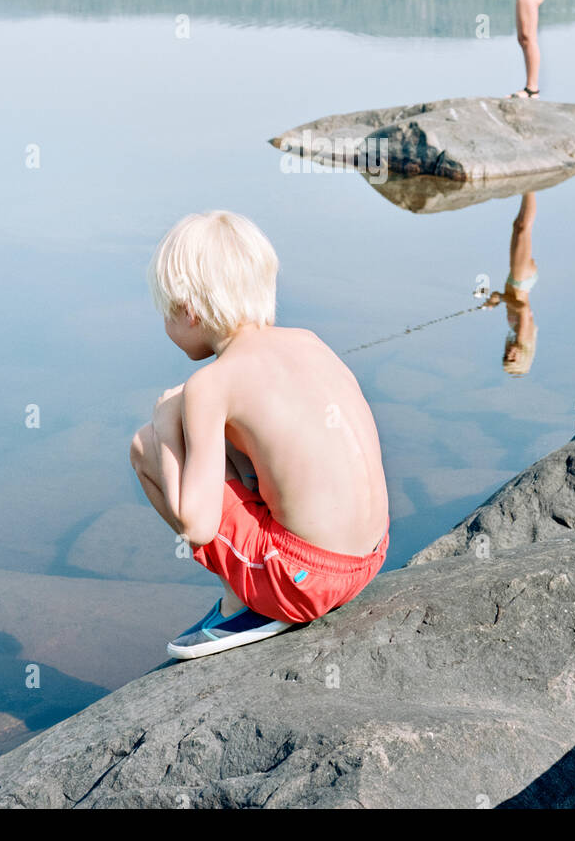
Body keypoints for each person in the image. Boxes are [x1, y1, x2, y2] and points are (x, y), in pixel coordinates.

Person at [131, 210, 390, 659]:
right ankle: (263, 582)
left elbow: (197, 525)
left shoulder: (213, 384)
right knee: (249, 435)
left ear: (189, 312)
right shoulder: (309, 341)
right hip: (370, 556)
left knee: (143, 445)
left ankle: (245, 603)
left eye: (166, 314)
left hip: (305, 580)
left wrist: (165, 426)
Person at [481, 193, 539, 374]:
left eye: (506, 357)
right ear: (523, 358)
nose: (509, 354)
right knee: (523, 229)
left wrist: (498, 300)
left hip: (519, 280)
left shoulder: (518, 338)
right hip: (520, 281)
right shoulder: (523, 339)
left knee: (518, 228)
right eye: (513, 359)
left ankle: (528, 188)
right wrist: (499, 297)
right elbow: (522, 309)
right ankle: (531, 187)